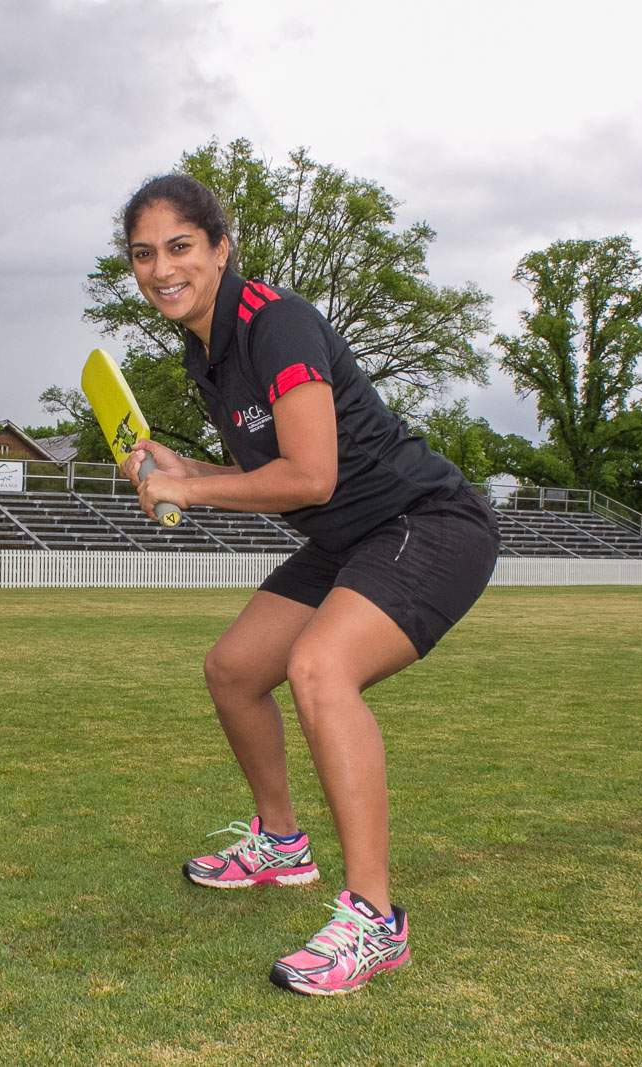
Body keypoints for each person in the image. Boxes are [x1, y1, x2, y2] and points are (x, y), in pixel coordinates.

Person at [118, 174, 501, 996]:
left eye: (180, 246)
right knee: (233, 670)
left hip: (426, 521)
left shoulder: (278, 323)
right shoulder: (206, 349)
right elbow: (276, 468)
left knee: (321, 669)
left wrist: (192, 489)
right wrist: (193, 469)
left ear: (221, 248)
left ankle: (375, 920)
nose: (161, 268)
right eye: (143, 254)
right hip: (348, 537)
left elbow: (313, 474)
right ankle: (282, 845)